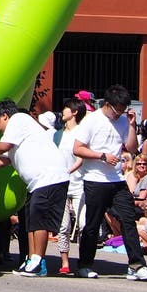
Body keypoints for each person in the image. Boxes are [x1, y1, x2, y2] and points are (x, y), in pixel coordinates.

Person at [72, 84, 147, 281]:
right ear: (108, 104)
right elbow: (77, 149)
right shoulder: (91, 121)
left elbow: (131, 147)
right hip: (95, 179)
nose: (119, 113)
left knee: (128, 220)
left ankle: (137, 265)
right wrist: (102, 156)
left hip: (117, 179)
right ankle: (85, 264)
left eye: (123, 109)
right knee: (92, 224)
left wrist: (131, 125)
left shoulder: (123, 121)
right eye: (117, 109)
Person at [0, 99, 68, 278]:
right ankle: (31, 259)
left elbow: (4, 147)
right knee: (32, 222)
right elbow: (6, 158)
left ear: (4, 116)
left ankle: (38, 261)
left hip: (50, 178)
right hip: (38, 183)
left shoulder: (18, 119)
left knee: (40, 221)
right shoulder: (16, 134)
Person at [54, 97, 86, 275]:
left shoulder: (81, 132)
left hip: (79, 183)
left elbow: (81, 158)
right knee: (63, 226)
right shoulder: (58, 134)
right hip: (61, 184)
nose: (63, 111)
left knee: (83, 223)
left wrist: (69, 170)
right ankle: (64, 262)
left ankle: (84, 260)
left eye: (66, 108)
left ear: (74, 112)